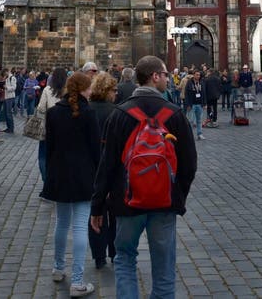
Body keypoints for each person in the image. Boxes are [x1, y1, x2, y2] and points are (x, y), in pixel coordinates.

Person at [90, 55, 197, 299]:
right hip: (164, 203)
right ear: (155, 76)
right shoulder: (175, 114)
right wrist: (176, 195)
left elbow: (106, 166)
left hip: (127, 203)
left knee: (125, 259)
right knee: (164, 268)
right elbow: (189, 164)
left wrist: (97, 206)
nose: (168, 78)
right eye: (166, 74)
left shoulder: (119, 114)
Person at [42, 71, 100, 297]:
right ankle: (77, 281)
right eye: (89, 87)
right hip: (83, 176)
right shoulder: (88, 113)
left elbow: (50, 147)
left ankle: (58, 268)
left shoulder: (54, 113)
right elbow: (96, 150)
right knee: (79, 226)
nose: (91, 90)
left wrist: (52, 172)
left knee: (62, 223)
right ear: (82, 89)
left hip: (60, 174)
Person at [88, 72, 118, 269]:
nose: (116, 93)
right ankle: (114, 252)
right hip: (112, 168)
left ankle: (99, 255)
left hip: (91, 168)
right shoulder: (116, 112)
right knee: (114, 213)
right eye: (114, 90)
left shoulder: (87, 110)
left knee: (95, 211)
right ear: (106, 91)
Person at [36, 66, 68, 181]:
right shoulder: (68, 91)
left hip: (47, 127)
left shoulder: (47, 90)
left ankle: (46, 182)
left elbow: (40, 108)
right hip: (64, 129)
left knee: (43, 156)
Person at [185, 69, 206, 140]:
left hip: (200, 104)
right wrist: (188, 104)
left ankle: (199, 134)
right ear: (193, 75)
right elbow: (186, 94)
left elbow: (204, 93)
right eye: (197, 75)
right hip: (192, 104)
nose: (198, 76)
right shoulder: (189, 82)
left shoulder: (201, 82)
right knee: (190, 120)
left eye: (199, 75)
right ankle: (189, 135)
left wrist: (204, 104)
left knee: (199, 120)